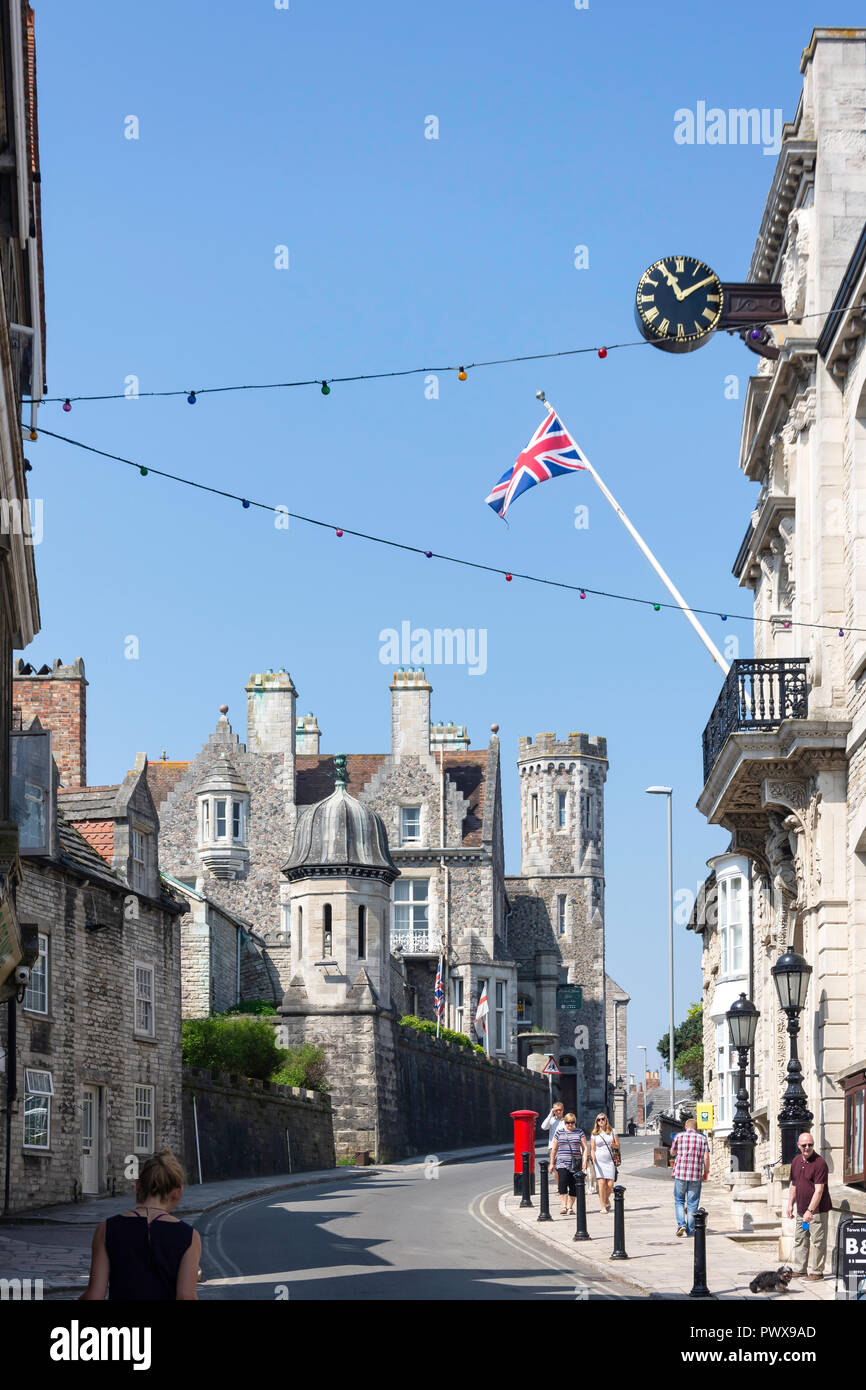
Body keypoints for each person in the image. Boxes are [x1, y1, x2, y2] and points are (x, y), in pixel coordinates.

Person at [80, 1148, 201, 1301]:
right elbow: (186, 1297)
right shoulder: (189, 1237)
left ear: (138, 1185)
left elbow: (94, 1296)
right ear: (177, 1192)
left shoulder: (107, 1229)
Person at [787, 1132, 831, 1281]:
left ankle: (817, 1272)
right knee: (800, 1239)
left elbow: (819, 1190)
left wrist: (810, 1211)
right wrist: (789, 1204)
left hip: (817, 1211)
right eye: (804, 1145)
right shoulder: (796, 1161)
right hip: (801, 1210)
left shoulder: (820, 1163)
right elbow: (793, 1185)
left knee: (818, 1241)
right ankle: (800, 1269)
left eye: (810, 1145)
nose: (807, 1147)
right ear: (799, 1145)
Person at [669, 1118, 710, 1237]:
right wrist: (706, 1172)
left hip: (680, 1173)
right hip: (695, 1174)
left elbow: (672, 1152)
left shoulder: (679, 1137)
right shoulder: (702, 1138)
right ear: (696, 1128)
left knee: (679, 1200)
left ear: (686, 1127)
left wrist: (678, 1151)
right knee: (693, 1203)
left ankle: (681, 1224)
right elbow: (706, 1158)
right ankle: (691, 1229)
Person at [550, 1113, 588, 1215]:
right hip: (562, 1163)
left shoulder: (579, 1132)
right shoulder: (559, 1133)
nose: (570, 1125)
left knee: (573, 1186)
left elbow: (585, 1148)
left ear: (575, 1122)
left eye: (572, 1123)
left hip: (575, 1163)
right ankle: (564, 1206)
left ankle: (570, 1207)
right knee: (562, 1184)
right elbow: (554, 1149)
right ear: (565, 1122)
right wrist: (551, 1163)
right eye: (568, 1123)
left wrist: (585, 1161)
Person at [590, 1113, 620, 1213]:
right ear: (596, 1122)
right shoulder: (594, 1133)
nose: (601, 1121)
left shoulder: (612, 1131)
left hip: (610, 1160)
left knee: (610, 1184)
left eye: (603, 1119)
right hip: (599, 1161)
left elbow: (618, 1146)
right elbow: (593, 1148)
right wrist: (593, 1158)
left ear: (606, 1120)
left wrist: (613, 1145)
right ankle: (603, 1206)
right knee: (601, 1183)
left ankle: (606, 1199)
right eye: (599, 1120)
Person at [540, 1100, 565, 1183]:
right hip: (552, 1147)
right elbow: (543, 1127)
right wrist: (551, 1114)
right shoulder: (551, 1120)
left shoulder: (567, 1121)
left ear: (563, 1110)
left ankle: (564, 1187)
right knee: (555, 1169)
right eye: (556, 1110)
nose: (558, 1112)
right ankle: (559, 1188)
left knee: (564, 1169)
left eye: (560, 1110)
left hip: (564, 1147)